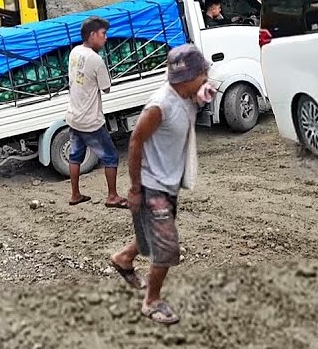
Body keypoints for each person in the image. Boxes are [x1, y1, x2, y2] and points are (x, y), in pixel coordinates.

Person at [110, 44, 216, 325]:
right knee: (167, 246)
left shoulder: (188, 93)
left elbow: (203, 91)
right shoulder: (160, 106)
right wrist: (134, 189)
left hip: (168, 183)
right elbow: (135, 142)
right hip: (151, 185)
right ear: (187, 77)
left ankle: (123, 258)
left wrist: (205, 92)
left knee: (153, 234)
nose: (206, 76)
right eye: (202, 74)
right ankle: (151, 302)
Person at [66, 16, 126, 208]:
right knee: (111, 157)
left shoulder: (75, 52)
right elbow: (106, 88)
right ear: (92, 35)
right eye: (103, 34)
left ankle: (75, 194)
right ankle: (112, 196)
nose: (106, 38)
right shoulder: (96, 59)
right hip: (90, 120)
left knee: (75, 156)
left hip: (73, 116)